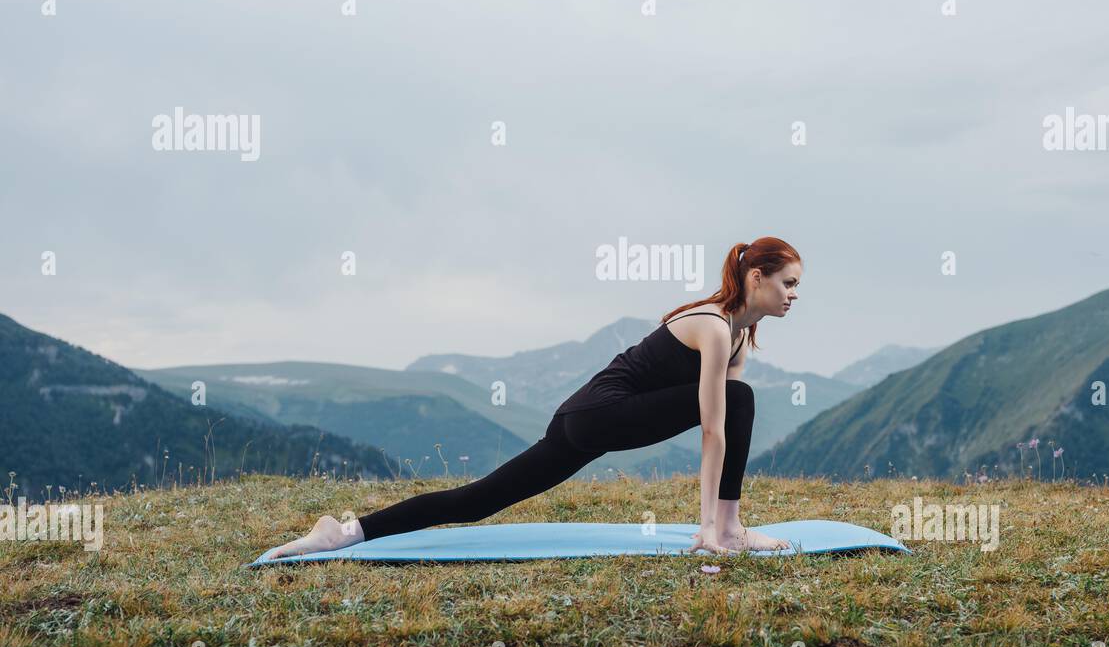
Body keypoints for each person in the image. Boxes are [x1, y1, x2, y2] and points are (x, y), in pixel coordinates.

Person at [265, 237, 803, 558]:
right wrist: (708, 528)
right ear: (756, 277)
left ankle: (346, 531)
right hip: (598, 414)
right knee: (742, 401)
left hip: (583, 420)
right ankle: (728, 529)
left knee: (478, 500)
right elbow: (713, 429)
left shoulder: (737, 340)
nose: (793, 296)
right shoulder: (712, 327)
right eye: (788, 284)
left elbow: (723, 430)